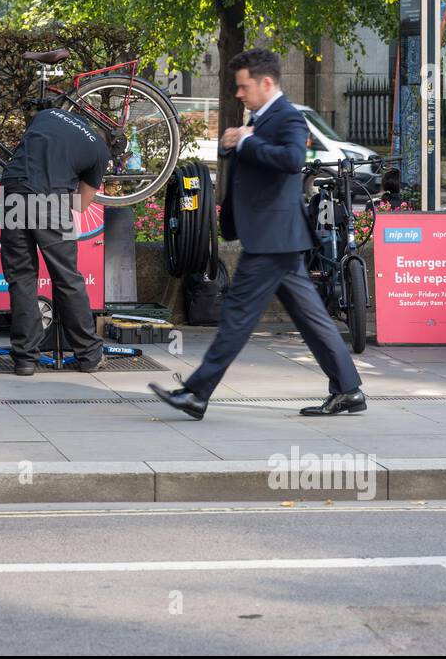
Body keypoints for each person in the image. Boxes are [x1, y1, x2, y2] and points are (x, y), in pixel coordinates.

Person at [150, 49, 366, 420]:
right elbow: (245, 164)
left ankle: (197, 394)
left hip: (272, 238)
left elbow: (292, 160)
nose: (238, 93)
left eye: (243, 86)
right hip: (276, 237)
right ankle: (348, 390)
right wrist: (231, 144)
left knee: (235, 317)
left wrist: (247, 142)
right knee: (312, 319)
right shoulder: (259, 118)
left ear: (267, 83)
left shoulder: (289, 119)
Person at [0, 104, 110, 376]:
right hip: (51, 199)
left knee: (21, 276)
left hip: (13, 189)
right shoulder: (99, 150)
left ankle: (25, 359)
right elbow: (82, 205)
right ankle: (89, 355)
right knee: (66, 277)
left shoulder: (47, 114)